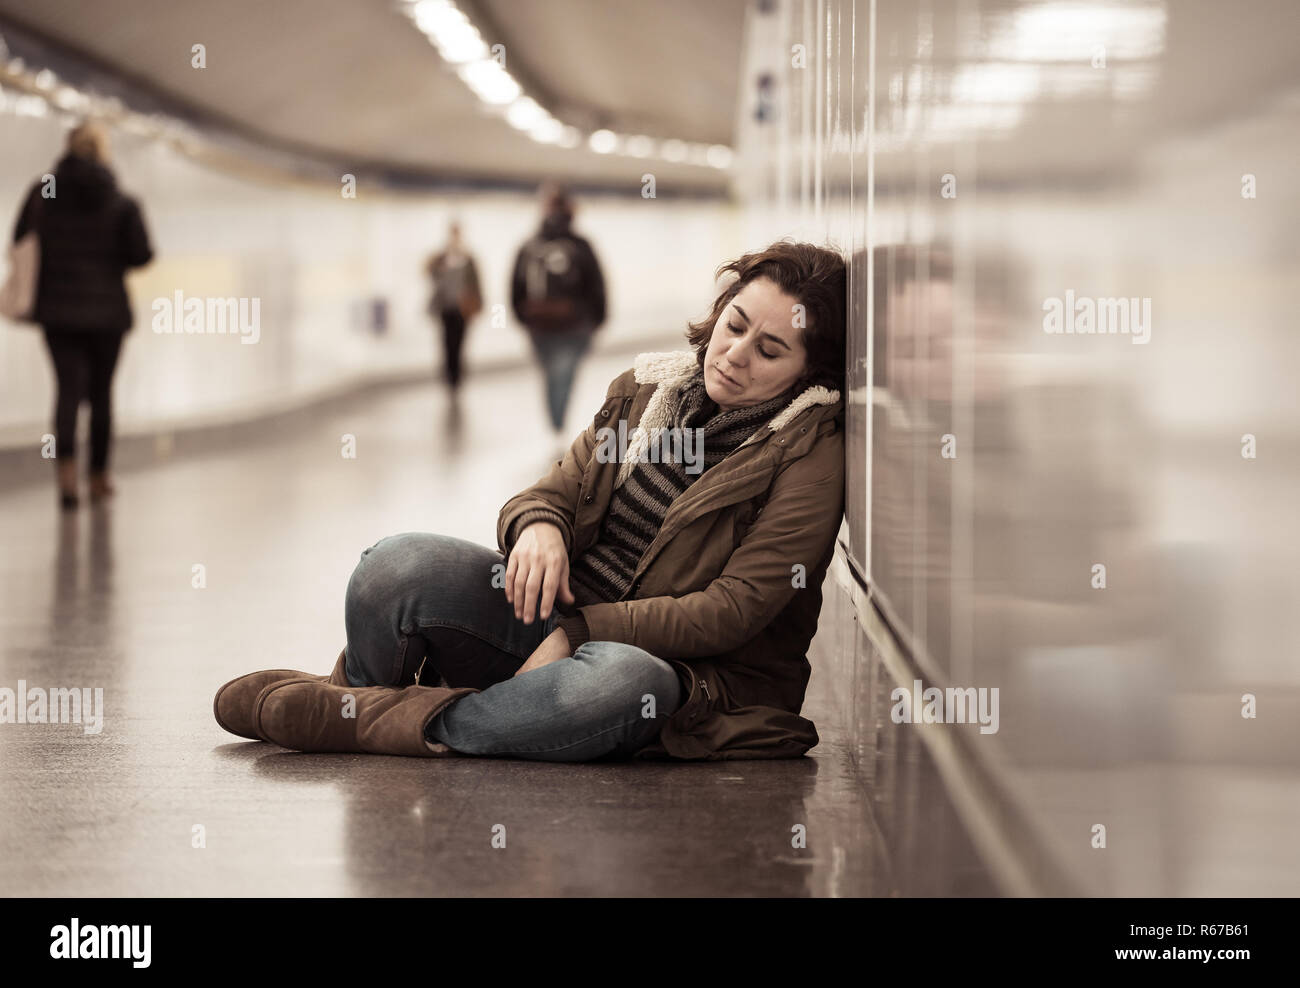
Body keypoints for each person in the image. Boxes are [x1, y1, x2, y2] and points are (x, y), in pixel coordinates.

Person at [213, 240, 847, 763]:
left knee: (624, 682)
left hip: (687, 677)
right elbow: (552, 493)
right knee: (394, 566)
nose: (734, 356)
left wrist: (580, 631)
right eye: (734, 326)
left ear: (808, 372)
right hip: (557, 619)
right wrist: (539, 526)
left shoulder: (807, 458)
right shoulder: (648, 394)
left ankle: (370, 721)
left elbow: (732, 611)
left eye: (769, 351)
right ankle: (355, 695)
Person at [11, 120, 153, 509]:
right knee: (102, 394)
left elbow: (19, 238)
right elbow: (141, 254)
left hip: (58, 313)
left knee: (67, 393)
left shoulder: (45, 192)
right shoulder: (121, 200)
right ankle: (100, 476)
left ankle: (67, 478)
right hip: (107, 314)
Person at [509, 183, 606, 457]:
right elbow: (597, 285)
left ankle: (556, 424)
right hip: (575, 325)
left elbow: (515, 286)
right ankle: (558, 423)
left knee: (552, 374)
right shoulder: (581, 246)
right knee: (562, 374)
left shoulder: (530, 246)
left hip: (539, 326)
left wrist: (523, 317)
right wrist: (597, 320)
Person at [424, 220, 481, 404]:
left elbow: (476, 283)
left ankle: (457, 375)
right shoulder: (441, 257)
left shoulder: (468, 258)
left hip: (463, 308)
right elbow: (429, 273)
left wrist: (477, 304)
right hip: (446, 307)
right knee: (447, 341)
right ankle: (450, 376)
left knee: (460, 341)